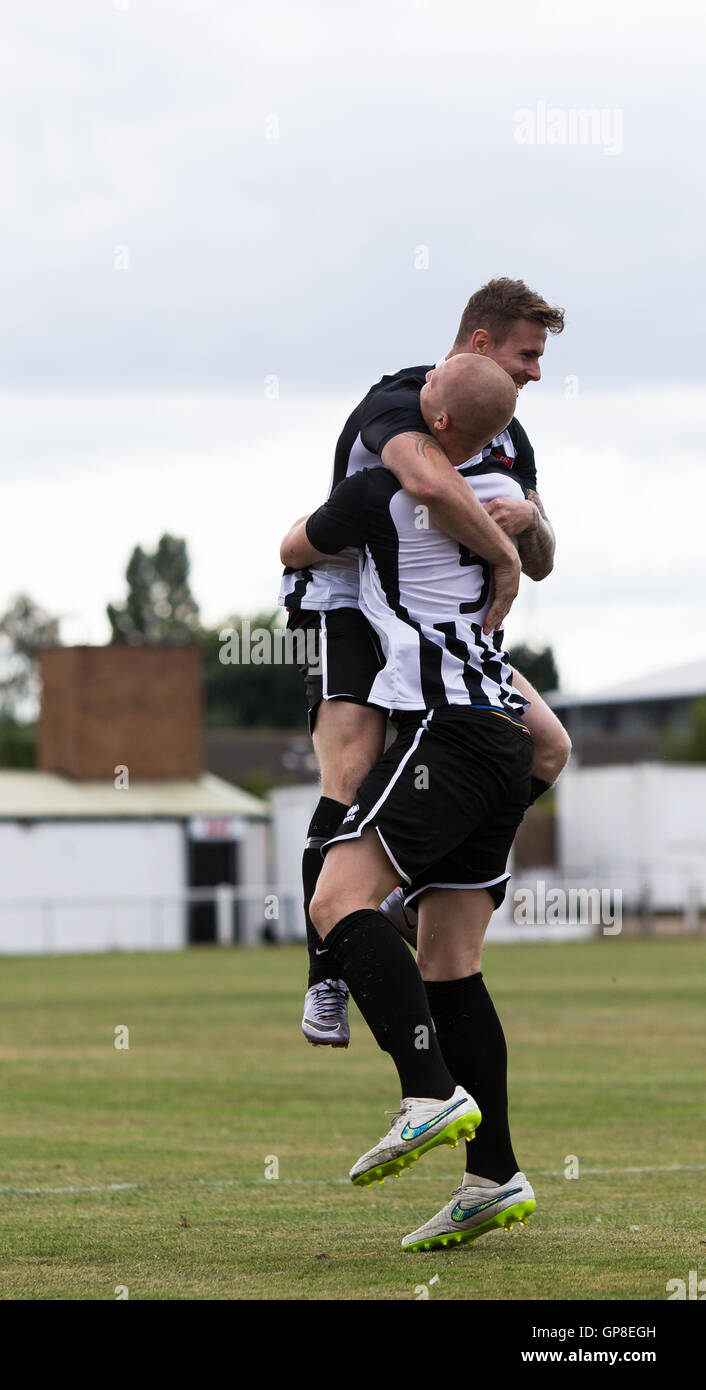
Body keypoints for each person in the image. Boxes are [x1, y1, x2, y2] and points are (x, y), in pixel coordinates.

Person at [280, 353, 540, 1251]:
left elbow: (291, 548)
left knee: (335, 900)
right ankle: (494, 1175)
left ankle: (427, 1093)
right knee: (451, 967)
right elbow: (532, 558)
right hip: (508, 735)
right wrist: (518, 538)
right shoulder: (499, 493)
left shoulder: (383, 491)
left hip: (449, 734)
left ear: (437, 418)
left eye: (423, 397)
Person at [278, 278, 570, 1047]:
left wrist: (529, 522)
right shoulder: (401, 399)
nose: (537, 371)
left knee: (550, 745)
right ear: (480, 344)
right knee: (350, 770)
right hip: (350, 599)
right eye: (527, 354)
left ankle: (413, 880)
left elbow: (542, 560)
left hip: (433, 625)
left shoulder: (509, 434)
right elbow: (422, 479)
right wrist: (502, 553)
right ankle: (327, 974)